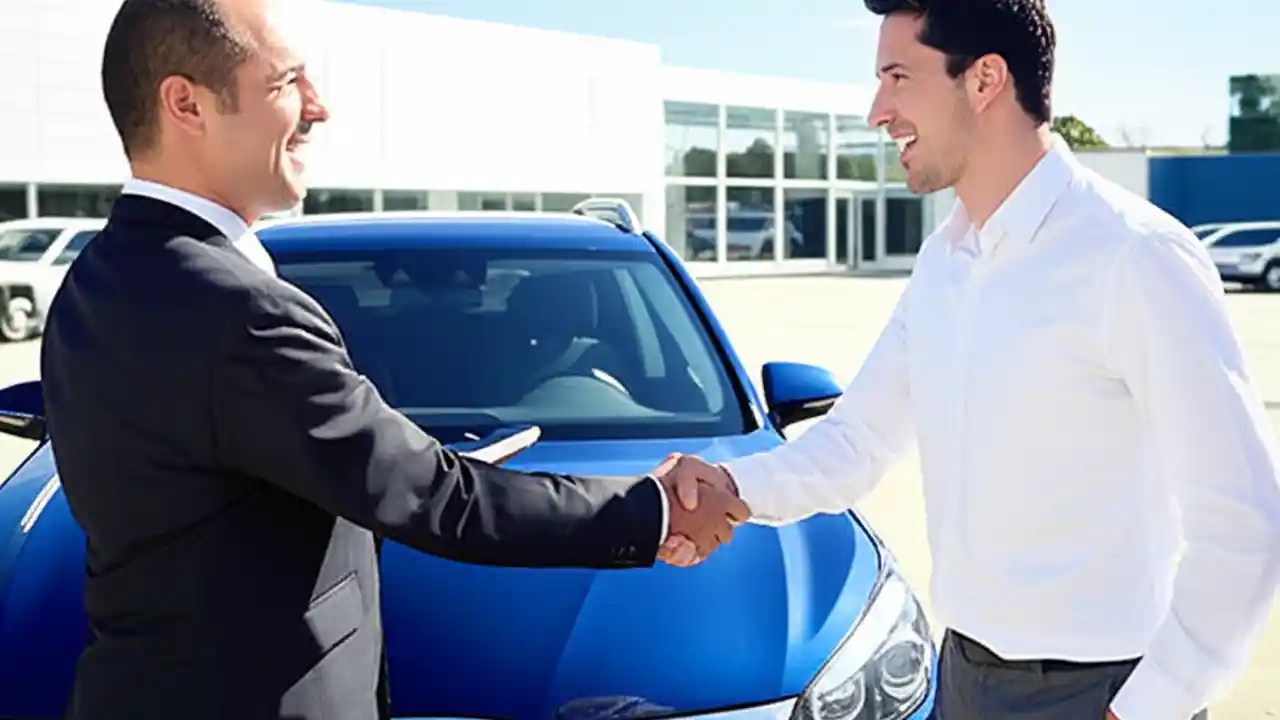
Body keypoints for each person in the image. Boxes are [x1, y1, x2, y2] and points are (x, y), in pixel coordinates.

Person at [39, 1, 747, 718]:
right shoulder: (238, 311)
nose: (320, 107)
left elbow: (223, 482)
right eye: (286, 83)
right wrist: (652, 509)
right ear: (186, 103)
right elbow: (434, 498)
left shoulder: (95, 282)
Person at [658, 1, 1280, 719]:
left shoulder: (1133, 257)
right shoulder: (946, 261)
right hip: (962, 678)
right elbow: (855, 442)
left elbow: (1242, 519)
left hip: (1100, 691)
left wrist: (1152, 704)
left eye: (898, 76)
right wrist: (727, 483)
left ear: (985, 79)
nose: (877, 112)